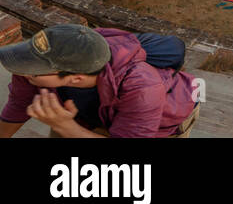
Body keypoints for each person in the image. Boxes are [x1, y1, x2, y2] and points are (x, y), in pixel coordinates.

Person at [0, 24, 199, 139]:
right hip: (85, 118)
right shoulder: (35, 67)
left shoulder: (143, 87)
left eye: (33, 72)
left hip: (161, 119)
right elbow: (18, 106)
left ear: (76, 77)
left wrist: (66, 127)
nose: (22, 72)